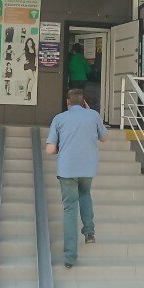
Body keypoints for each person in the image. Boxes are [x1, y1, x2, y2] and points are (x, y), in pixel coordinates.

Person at [46, 88, 108, 268]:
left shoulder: (59, 119)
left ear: (67, 102)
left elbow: (50, 150)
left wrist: (60, 148)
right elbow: (104, 138)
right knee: (85, 194)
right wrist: (89, 112)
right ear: (83, 102)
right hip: (87, 168)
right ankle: (89, 233)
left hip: (67, 170)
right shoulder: (93, 115)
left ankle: (70, 257)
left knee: (70, 209)